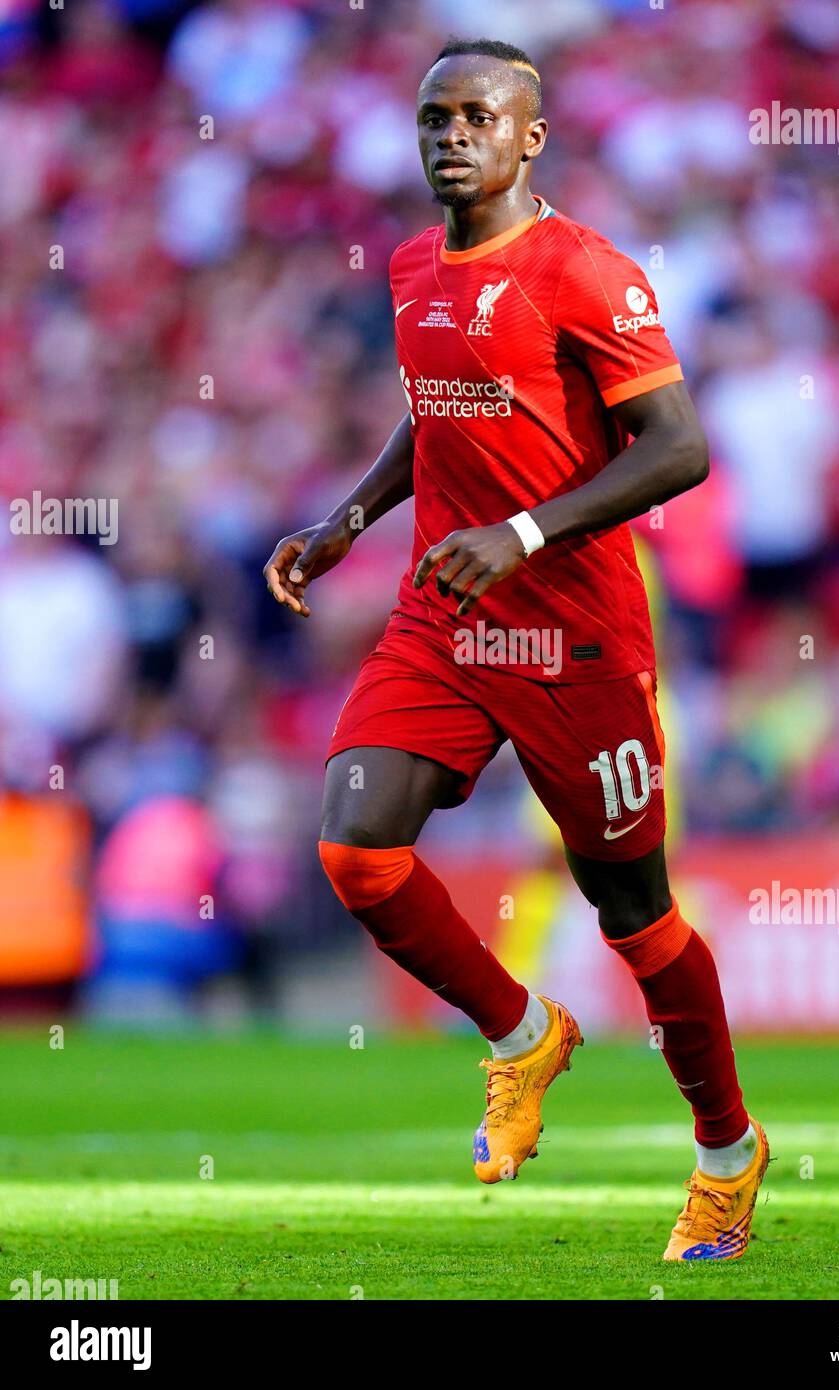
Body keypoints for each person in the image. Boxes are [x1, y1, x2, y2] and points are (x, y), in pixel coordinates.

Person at [264, 37, 767, 1261]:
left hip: (576, 632)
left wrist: (528, 529)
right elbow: (436, 406)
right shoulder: (408, 264)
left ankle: (724, 1150)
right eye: (434, 116)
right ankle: (519, 1032)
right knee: (355, 849)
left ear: (528, 137)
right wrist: (346, 521)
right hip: (447, 613)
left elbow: (677, 448)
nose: (451, 134)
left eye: (478, 117)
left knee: (635, 915)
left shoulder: (584, 271)